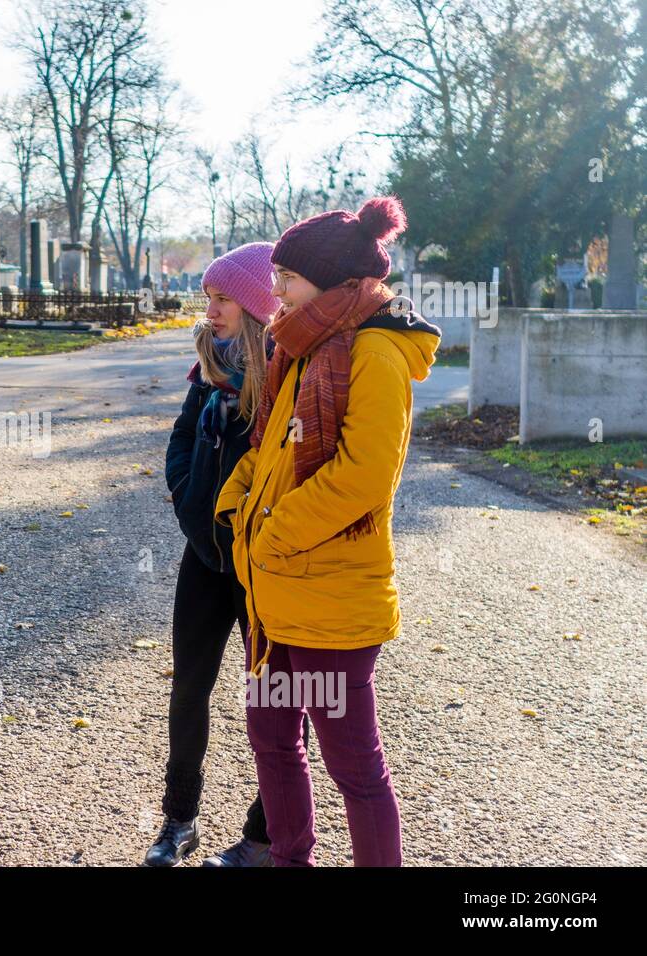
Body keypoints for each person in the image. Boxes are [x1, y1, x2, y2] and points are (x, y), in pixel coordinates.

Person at [214, 196, 441, 867]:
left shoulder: (375, 350)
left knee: (355, 770)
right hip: (276, 596)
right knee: (272, 741)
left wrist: (274, 532)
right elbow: (271, 444)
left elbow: (365, 475)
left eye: (286, 276)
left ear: (332, 279)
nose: (275, 288)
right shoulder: (307, 346)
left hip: (331, 601)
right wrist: (237, 501)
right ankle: (289, 861)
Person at [147, 242, 290, 867]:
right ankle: (179, 821)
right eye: (207, 296)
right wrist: (190, 505)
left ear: (258, 305)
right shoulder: (209, 367)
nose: (210, 309)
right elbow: (181, 442)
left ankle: (264, 834)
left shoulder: (287, 378)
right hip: (204, 559)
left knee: (277, 699)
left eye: (222, 297)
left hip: (264, 569)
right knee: (190, 687)